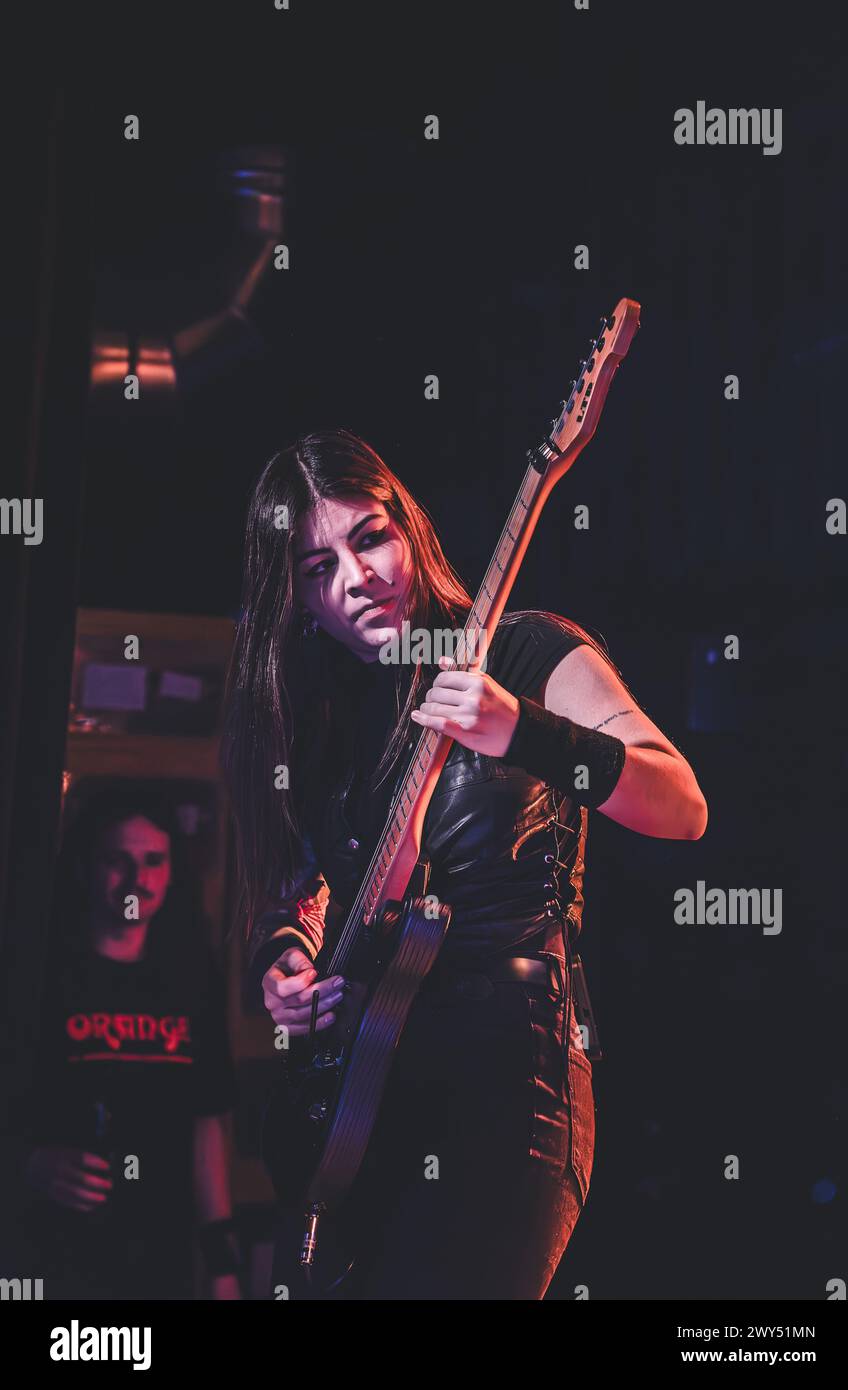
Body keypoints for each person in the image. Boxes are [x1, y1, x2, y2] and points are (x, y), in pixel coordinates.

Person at [221, 427, 708, 1300]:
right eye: (316, 566)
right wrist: (283, 960)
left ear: (407, 528)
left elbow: (680, 804)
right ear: (296, 600)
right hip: (370, 1098)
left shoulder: (522, 650)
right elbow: (302, 889)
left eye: (370, 537)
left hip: (511, 1081)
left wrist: (523, 728)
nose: (358, 577)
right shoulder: (325, 721)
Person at [14, 789, 240, 1300]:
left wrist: (223, 1266)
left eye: (153, 861)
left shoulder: (191, 980)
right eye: (118, 860)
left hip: (162, 1252)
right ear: (84, 868)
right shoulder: (36, 981)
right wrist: (26, 1162)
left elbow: (207, 1126)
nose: (138, 880)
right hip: (53, 1253)